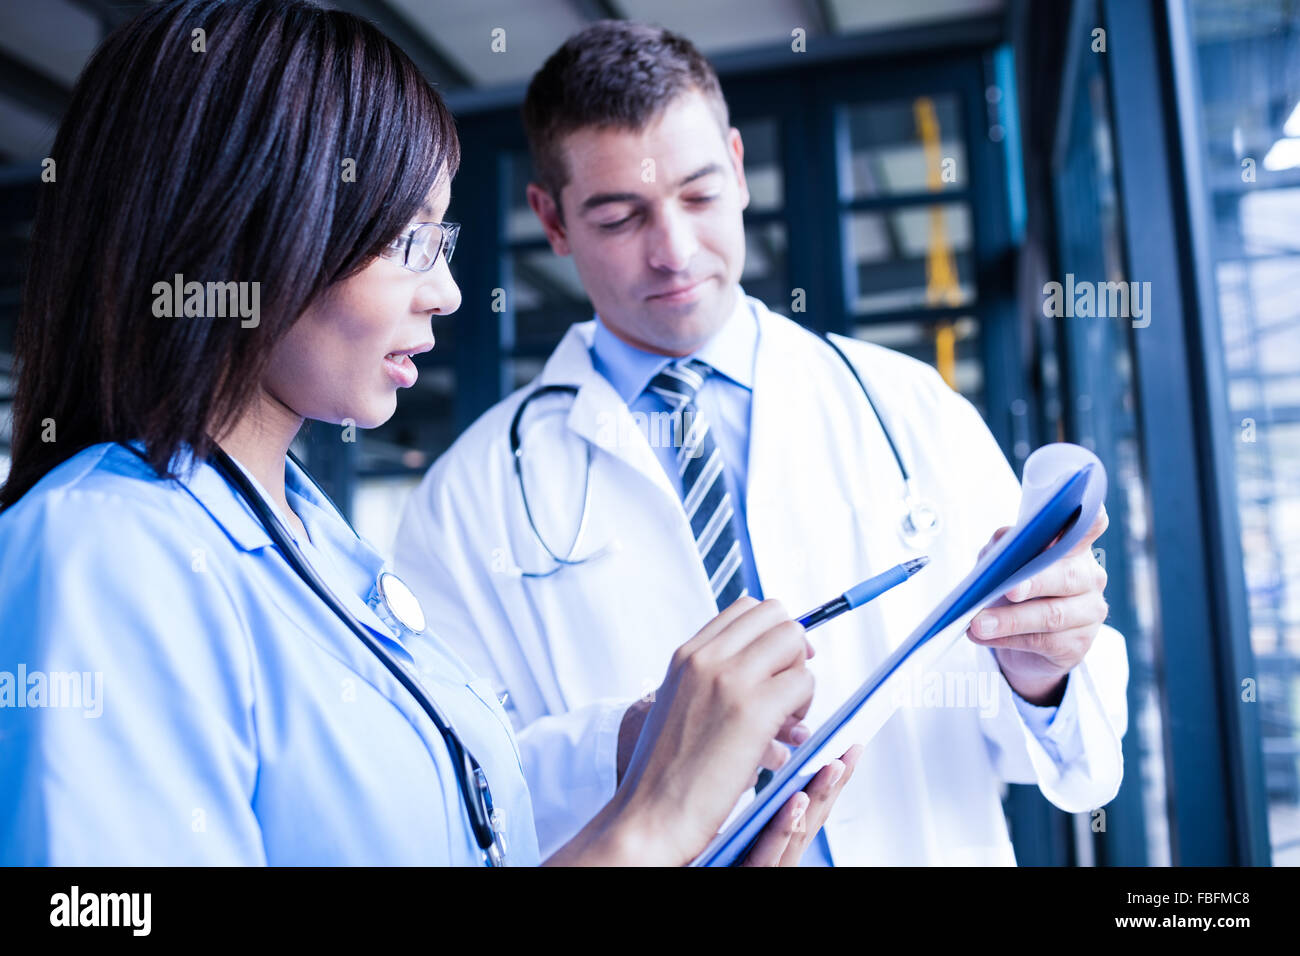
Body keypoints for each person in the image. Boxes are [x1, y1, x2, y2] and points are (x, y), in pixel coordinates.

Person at [0, 0, 860, 867]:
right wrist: (652, 824)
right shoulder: (99, 553)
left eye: (439, 238)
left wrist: (652, 788)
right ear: (244, 231)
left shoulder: (310, 543)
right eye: (409, 240)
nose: (446, 292)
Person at [393, 20, 1130, 865]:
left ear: (740, 171)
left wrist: (1041, 668)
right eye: (619, 215)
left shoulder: (906, 406)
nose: (673, 251)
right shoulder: (469, 498)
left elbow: (1078, 757)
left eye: (700, 196)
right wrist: (628, 745)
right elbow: (456, 789)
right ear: (552, 222)